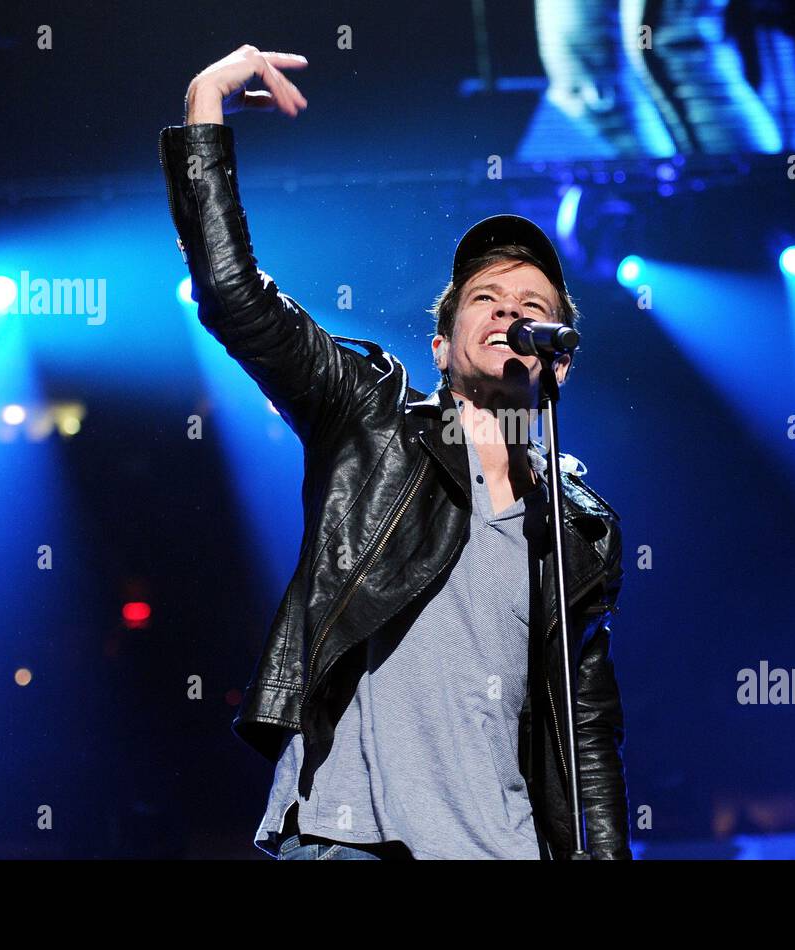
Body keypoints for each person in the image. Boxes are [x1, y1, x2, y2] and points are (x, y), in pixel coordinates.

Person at [159, 45, 630, 860]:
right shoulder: (369, 416)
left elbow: (586, 727)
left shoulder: (579, 528)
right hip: (351, 840)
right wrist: (204, 106)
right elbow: (234, 296)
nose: (508, 311)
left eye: (531, 306)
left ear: (559, 357)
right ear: (442, 347)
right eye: (486, 298)